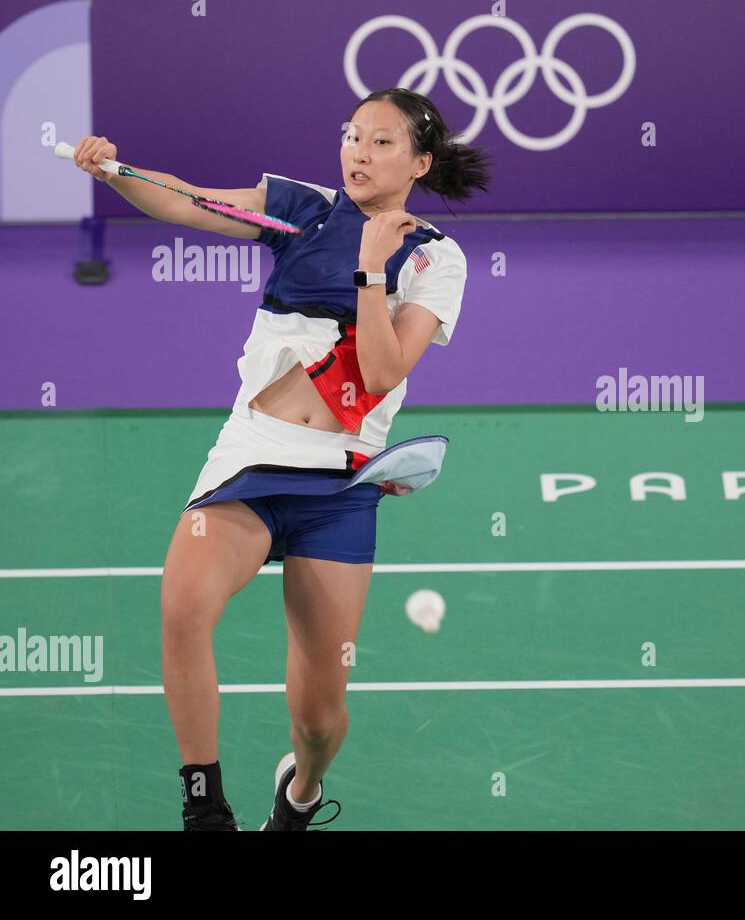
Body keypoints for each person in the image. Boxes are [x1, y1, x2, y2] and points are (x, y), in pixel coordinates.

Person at [71, 87, 491, 830]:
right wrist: (115, 172)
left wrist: (370, 267)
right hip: (254, 456)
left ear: (420, 162)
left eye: (382, 142)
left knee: (320, 722)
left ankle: (298, 797)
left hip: (342, 480)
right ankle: (204, 805)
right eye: (353, 135)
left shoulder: (435, 256)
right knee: (182, 607)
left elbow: (386, 371)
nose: (359, 152)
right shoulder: (305, 209)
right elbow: (185, 202)